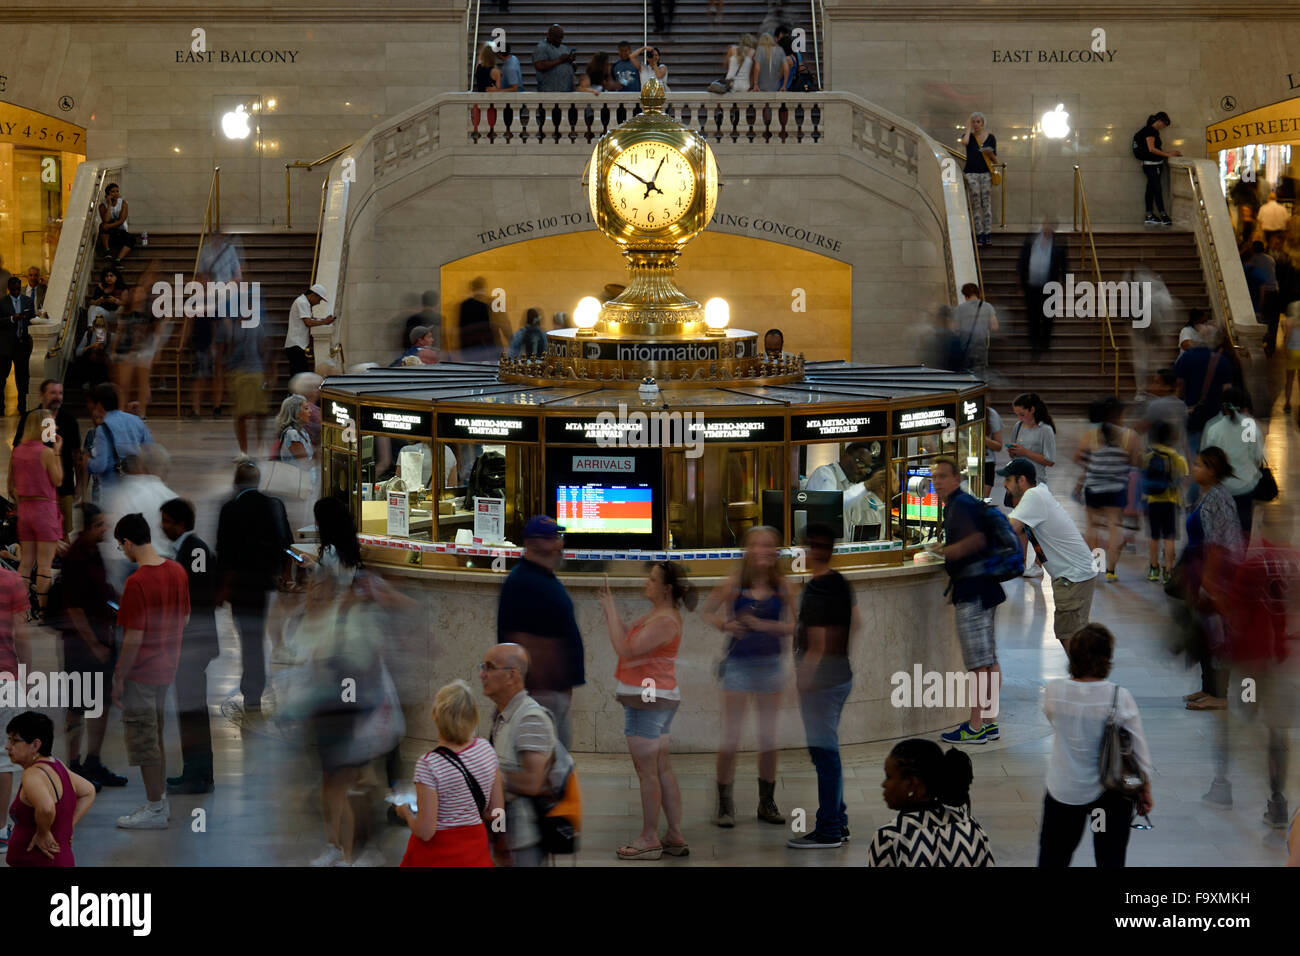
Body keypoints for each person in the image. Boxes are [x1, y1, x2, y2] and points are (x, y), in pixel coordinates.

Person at [701, 525, 795, 828]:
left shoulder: (783, 585)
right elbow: (708, 612)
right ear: (747, 550)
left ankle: (766, 802)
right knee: (731, 738)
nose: (763, 552)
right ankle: (725, 803)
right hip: (738, 666)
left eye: (769, 546)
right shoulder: (734, 583)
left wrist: (763, 625)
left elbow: (795, 625)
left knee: (768, 739)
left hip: (770, 666)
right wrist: (726, 626)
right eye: (757, 545)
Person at [1038, 624, 1154, 867]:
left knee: (1053, 857)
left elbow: (1053, 719)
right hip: (1111, 790)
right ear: (1106, 658)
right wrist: (1144, 789)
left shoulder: (1054, 692)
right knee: (1110, 859)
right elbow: (1138, 750)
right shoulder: (1119, 697)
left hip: (1063, 790)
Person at [599, 562, 692, 860]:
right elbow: (630, 639)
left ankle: (650, 838)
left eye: (652, 580)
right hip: (653, 698)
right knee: (659, 767)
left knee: (647, 771)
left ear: (666, 588)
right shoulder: (658, 615)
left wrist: (610, 609)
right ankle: (674, 835)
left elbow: (625, 649)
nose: (646, 583)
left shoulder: (665, 620)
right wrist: (612, 613)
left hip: (648, 700)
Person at [111, 513, 190, 830]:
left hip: (141, 673)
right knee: (156, 735)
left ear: (128, 542)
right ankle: (159, 800)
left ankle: (155, 807)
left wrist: (118, 677)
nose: (123, 552)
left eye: (121, 546)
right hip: (167, 668)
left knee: (144, 740)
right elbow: (184, 619)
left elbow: (133, 638)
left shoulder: (137, 583)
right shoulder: (176, 571)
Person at [786, 523, 859, 848]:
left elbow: (815, 645)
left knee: (825, 756)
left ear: (808, 551)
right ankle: (838, 821)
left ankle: (829, 828)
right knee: (828, 754)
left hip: (821, 684)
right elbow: (856, 623)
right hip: (840, 675)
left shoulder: (816, 591)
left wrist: (802, 682)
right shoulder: (840, 583)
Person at [930, 455, 1005, 747]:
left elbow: (975, 541)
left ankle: (975, 727)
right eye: (934, 477)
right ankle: (989, 722)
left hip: (973, 591)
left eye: (942, 477)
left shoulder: (960, 505)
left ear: (956, 479)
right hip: (987, 588)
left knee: (977, 663)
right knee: (988, 659)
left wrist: (943, 552)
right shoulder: (964, 503)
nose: (936, 482)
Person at [54, 504, 127, 791]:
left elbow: (102, 591)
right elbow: (73, 609)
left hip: (102, 638)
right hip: (80, 647)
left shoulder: (94, 552)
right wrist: (94, 644)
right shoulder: (74, 558)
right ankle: (74, 766)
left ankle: (94, 761)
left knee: (102, 703)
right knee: (78, 706)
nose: (104, 529)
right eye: (99, 525)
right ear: (85, 528)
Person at [496, 515, 585, 749]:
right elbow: (519, 644)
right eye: (551, 538)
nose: (559, 544)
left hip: (550, 699)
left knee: (555, 769)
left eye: (558, 537)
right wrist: (546, 692)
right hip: (538, 698)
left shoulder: (540, 578)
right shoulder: (522, 583)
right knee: (542, 769)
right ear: (532, 543)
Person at [216, 463, 293, 720]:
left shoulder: (229, 509)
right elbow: (286, 543)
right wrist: (284, 573)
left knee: (249, 638)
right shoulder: (274, 505)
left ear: (236, 483)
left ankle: (251, 693)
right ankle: (255, 690)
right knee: (256, 636)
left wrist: (221, 587)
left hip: (240, 586)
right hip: (264, 584)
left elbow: (223, 552)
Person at [398, 680, 504, 866]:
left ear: (436, 717)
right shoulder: (486, 749)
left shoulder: (429, 764)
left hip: (438, 856)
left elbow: (425, 831)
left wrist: (405, 812)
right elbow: (497, 811)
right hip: (475, 851)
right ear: (474, 716)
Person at [1177, 446, 1245, 715]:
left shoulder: (1219, 497)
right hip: (1203, 570)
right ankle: (1208, 688)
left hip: (1216, 574)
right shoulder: (1207, 494)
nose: (1194, 469)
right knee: (1205, 633)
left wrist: (1209, 580)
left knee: (1217, 634)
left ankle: (1220, 695)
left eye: (1200, 465)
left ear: (1213, 470)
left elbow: (1218, 544)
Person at [1002, 459, 1100, 644]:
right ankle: (1082, 672)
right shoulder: (1038, 493)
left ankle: (1084, 673)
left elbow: (1010, 527)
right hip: (1073, 575)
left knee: (1071, 638)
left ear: (1021, 480)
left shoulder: (1033, 496)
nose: (1004, 484)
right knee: (1072, 636)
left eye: (1008, 479)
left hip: (1073, 577)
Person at [159, 498, 219, 794]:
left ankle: (197, 774)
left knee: (191, 709)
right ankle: (196, 772)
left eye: (167, 521)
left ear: (181, 523)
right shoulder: (190, 549)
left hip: (193, 643)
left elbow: (195, 595)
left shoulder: (193, 550)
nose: (163, 526)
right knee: (190, 709)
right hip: (194, 642)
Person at [482, 642, 556, 867]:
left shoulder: (529, 719)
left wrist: (488, 777)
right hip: (506, 835)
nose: (481, 674)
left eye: (489, 667)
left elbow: (534, 782)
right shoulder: (504, 715)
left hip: (523, 840)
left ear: (511, 675)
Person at [865, 739, 994, 866]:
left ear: (912, 783)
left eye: (889, 777)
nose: (884, 784)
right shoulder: (970, 826)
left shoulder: (890, 836)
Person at [3, 712, 97, 867]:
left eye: (14, 741)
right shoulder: (57, 766)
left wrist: (43, 832)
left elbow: (47, 808)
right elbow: (88, 791)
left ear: (35, 745)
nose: (7, 746)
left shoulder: (33, 775)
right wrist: (68, 825)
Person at [1075, 397, 1140, 582]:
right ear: (1120, 415)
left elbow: (1078, 456)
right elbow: (1135, 462)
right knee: (1115, 527)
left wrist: (1095, 465)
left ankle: (1096, 566)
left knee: (1092, 527)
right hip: (1117, 489)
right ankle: (1111, 570)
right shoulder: (1130, 436)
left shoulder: (1092, 434)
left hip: (1093, 487)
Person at [8, 409, 64, 617]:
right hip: (44, 510)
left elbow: (13, 483)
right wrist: (57, 450)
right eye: (50, 424)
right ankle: (42, 610)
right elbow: (58, 480)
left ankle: (21, 611)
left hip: (25, 509)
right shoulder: (46, 452)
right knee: (44, 565)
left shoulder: (18, 451)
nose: (54, 428)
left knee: (25, 563)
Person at [14, 380, 79, 537]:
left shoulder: (69, 420)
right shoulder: (29, 418)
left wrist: (80, 486)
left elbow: (76, 455)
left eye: (60, 393)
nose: (57, 397)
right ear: (42, 395)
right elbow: (17, 450)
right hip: (36, 491)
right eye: (53, 393)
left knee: (63, 535)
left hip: (64, 487)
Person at [1200, 387, 1262, 541]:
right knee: (1244, 525)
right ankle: (1241, 559)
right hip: (1245, 484)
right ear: (1241, 404)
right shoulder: (1248, 426)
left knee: (1221, 529)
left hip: (1222, 487)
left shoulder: (1214, 427)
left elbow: (1206, 459)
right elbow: (1257, 455)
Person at [0, 561, 33, 848]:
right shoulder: (11, 581)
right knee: (3, 758)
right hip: (4, 680)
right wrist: (27, 675)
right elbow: (20, 634)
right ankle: (0, 830)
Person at [86, 382, 154, 496]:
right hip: (137, 487)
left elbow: (100, 466)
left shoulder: (103, 429)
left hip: (113, 490)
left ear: (99, 404)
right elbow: (150, 451)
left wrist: (87, 462)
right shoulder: (137, 421)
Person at [1141, 421, 1188, 585]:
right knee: (1169, 536)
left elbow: (1143, 477)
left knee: (1154, 537)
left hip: (1152, 501)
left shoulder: (1148, 456)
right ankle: (1168, 570)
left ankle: (1154, 569)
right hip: (1171, 501)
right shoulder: (1176, 457)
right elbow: (1183, 478)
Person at [1174, 331, 1232, 458]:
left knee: (1192, 452)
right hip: (1215, 416)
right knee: (1213, 453)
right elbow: (1227, 390)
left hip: (1192, 414)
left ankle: (1195, 474)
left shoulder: (1186, 357)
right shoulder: (1221, 360)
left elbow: (1179, 387)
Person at [1016, 219, 1067, 359]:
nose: (1047, 227)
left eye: (1050, 225)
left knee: (1048, 316)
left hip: (1050, 287)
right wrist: (1020, 281)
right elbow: (1022, 260)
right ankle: (1034, 345)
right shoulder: (1031, 240)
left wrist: (1065, 284)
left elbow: (1065, 265)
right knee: (1033, 316)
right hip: (1032, 286)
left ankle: (1044, 342)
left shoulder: (1059, 243)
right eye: (1045, 224)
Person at [805, 441, 876, 541]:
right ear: (845, 457)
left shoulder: (853, 486)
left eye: (867, 468)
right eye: (860, 463)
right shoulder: (825, 473)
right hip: (822, 549)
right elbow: (832, 507)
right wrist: (866, 486)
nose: (862, 471)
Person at [0, 276, 36, 417]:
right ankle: (0, 408)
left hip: (22, 345)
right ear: (9, 288)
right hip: (5, 346)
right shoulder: (2, 303)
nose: (16, 292)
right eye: (13, 290)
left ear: (20, 288)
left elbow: (32, 318)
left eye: (17, 289)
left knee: (22, 379)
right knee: (1, 379)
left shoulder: (28, 301)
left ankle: (22, 407)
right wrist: (11, 319)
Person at [961, 113, 999, 247]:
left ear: (982, 123)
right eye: (973, 122)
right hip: (971, 173)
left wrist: (989, 153)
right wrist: (968, 128)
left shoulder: (991, 138)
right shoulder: (969, 137)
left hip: (986, 173)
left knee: (986, 203)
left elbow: (995, 160)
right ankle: (979, 233)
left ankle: (988, 233)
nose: (976, 124)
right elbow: (964, 142)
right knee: (976, 202)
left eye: (978, 122)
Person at [1136, 112, 1180, 225]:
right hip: (1151, 164)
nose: (1164, 127)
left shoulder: (1149, 130)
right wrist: (1168, 155)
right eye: (1164, 124)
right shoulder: (1150, 131)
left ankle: (1149, 215)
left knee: (1151, 189)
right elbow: (1151, 149)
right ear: (1159, 121)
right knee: (1157, 188)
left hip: (1151, 164)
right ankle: (1163, 214)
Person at [1005, 392, 1057, 489]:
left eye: (1022, 414)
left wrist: (1025, 452)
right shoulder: (1018, 426)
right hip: (1019, 481)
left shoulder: (1045, 429)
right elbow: (1014, 456)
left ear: (1032, 410)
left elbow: (1050, 461)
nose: (1019, 418)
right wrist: (1012, 452)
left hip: (1036, 481)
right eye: (1017, 415)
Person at [285, 283, 336, 379]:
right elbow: (308, 322)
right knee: (300, 377)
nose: (319, 302)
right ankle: (294, 394)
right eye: (319, 299)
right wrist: (325, 322)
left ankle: (295, 393)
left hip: (297, 346)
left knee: (299, 376)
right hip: (296, 346)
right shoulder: (302, 302)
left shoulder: (304, 302)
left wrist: (323, 320)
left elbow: (310, 319)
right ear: (314, 295)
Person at [951, 283, 999, 378]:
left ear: (965, 294)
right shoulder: (987, 306)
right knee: (980, 377)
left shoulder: (960, 308)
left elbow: (954, 329)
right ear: (977, 293)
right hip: (980, 348)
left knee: (965, 377)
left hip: (965, 348)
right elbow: (995, 326)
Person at [455, 276, 494, 362]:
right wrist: (492, 348)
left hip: (467, 347)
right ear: (483, 287)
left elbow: (460, 328)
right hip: (479, 347)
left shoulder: (464, 305)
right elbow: (486, 329)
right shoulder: (483, 306)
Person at [533, 24, 577, 93]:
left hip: (567, 90)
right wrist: (559, 60)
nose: (559, 40)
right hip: (550, 91)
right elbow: (540, 65)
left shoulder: (564, 47)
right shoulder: (542, 47)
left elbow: (571, 66)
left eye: (561, 38)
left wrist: (571, 63)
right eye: (557, 37)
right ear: (549, 35)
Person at [983, 405, 1004, 498]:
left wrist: (984, 439)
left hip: (987, 463)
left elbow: (998, 446)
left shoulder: (991, 414)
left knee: (982, 502)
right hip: (963, 462)